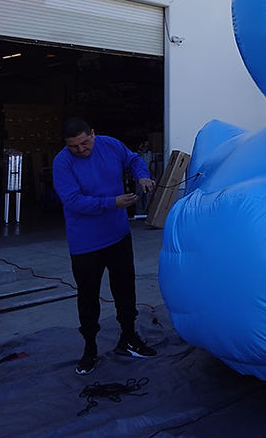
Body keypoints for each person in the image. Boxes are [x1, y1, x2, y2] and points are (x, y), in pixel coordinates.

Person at [52, 117, 157, 375]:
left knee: (125, 287)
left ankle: (129, 337)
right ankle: (90, 348)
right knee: (88, 296)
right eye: (74, 146)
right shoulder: (62, 162)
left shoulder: (110, 145)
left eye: (84, 143)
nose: (81, 150)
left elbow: (133, 159)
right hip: (85, 243)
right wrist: (112, 203)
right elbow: (73, 200)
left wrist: (142, 175)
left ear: (93, 134)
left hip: (118, 235)